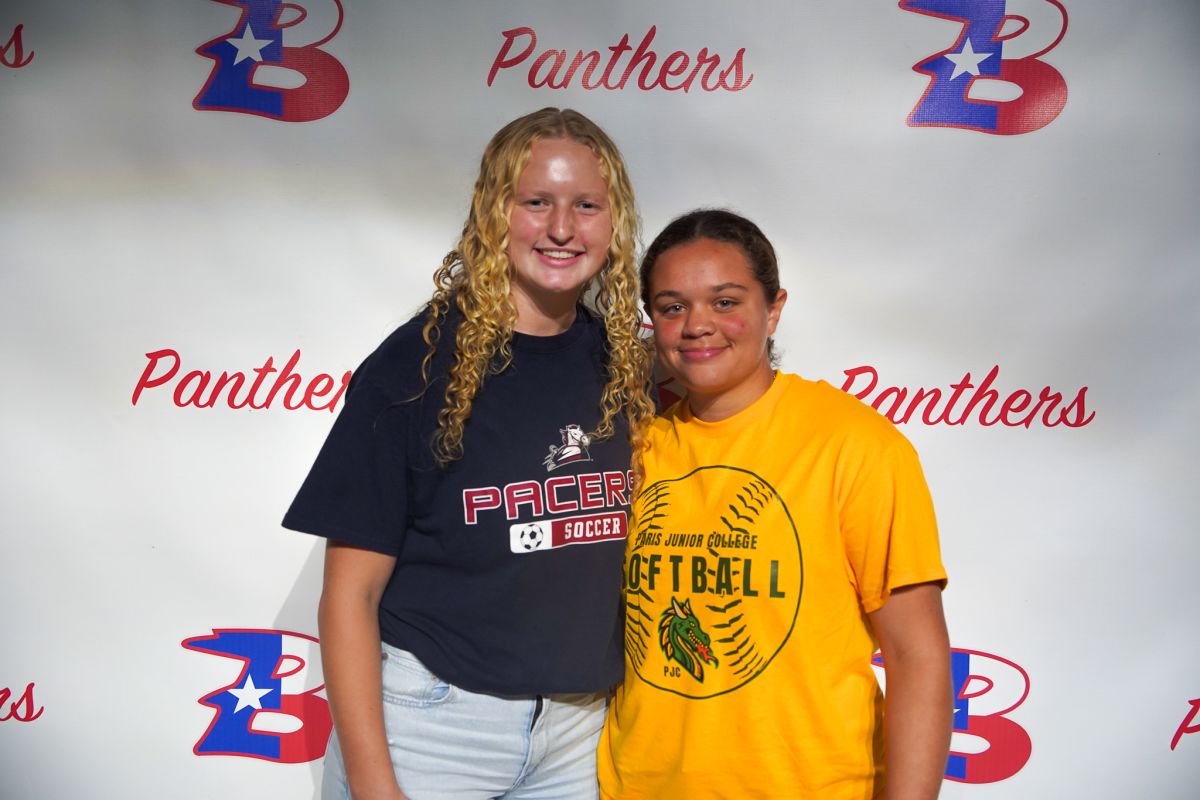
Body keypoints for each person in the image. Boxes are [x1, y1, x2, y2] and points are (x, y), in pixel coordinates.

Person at [283, 108, 655, 800]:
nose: (562, 228)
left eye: (586, 205)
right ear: (492, 211)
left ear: (616, 221)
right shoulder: (415, 366)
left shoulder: (625, 364)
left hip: (577, 735)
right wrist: (373, 782)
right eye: (535, 202)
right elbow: (349, 595)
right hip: (431, 730)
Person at [597, 209, 952, 799]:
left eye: (726, 301)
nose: (697, 326)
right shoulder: (639, 449)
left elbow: (918, 657)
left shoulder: (855, 445)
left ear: (774, 309)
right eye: (672, 306)